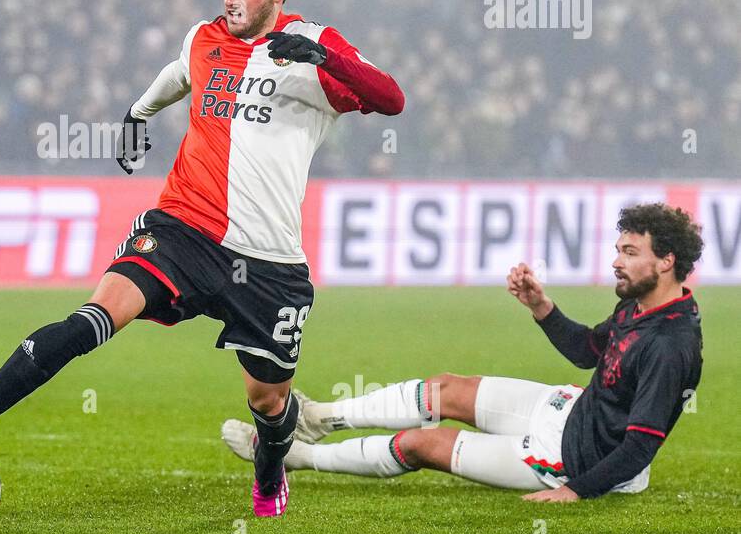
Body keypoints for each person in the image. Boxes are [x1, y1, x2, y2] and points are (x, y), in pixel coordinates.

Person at [0, 0, 404, 516]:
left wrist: (328, 60)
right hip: (183, 229)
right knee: (91, 319)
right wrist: (140, 110)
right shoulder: (205, 38)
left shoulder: (314, 45)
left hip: (269, 262)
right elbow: (179, 72)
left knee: (267, 397)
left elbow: (391, 99)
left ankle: (269, 469)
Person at [221, 203, 704, 501]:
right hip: (569, 409)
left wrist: (575, 490)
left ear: (667, 261)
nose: (617, 262)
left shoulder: (670, 345)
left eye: (631, 252)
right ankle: (319, 416)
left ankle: (292, 455)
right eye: (618, 249)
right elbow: (587, 352)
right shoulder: (639, 308)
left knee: (419, 443)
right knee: (445, 388)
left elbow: (641, 444)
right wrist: (541, 306)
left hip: (571, 457)